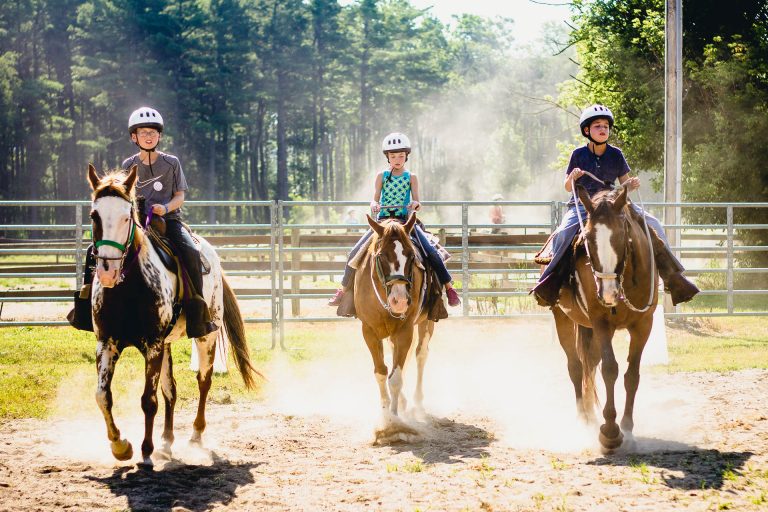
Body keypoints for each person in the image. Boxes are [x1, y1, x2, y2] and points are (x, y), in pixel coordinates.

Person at [67, 107, 217, 338]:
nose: (149, 136)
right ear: (134, 137)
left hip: (168, 220)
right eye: (143, 132)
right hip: (136, 223)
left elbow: (180, 196)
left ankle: (197, 310)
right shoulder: (128, 164)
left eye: (153, 132)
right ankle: (86, 308)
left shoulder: (172, 163)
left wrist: (165, 208)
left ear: (160, 136)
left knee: (189, 250)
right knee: (92, 251)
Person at [531, 104, 699, 307]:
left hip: (613, 206)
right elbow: (568, 187)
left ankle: (673, 278)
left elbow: (624, 183)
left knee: (654, 224)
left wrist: (630, 185)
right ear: (587, 130)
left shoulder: (616, 154)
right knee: (563, 234)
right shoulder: (578, 154)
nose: (603, 129)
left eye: (606, 126)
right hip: (583, 206)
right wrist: (573, 177)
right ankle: (550, 282)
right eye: (597, 126)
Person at [328, 132, 461, 307]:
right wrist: (374, 204)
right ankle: (343, 290)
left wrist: (415, 204)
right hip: (383, 222)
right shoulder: (381, 176)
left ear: (406, 156)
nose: (397, 159)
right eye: (393, 156)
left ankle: (449, 288)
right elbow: (374, 199)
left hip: (405, 222)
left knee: (431, 251)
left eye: (401, 156)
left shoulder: (411, 177)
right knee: (355, 252)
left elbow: (417, 201)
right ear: (387, 157)